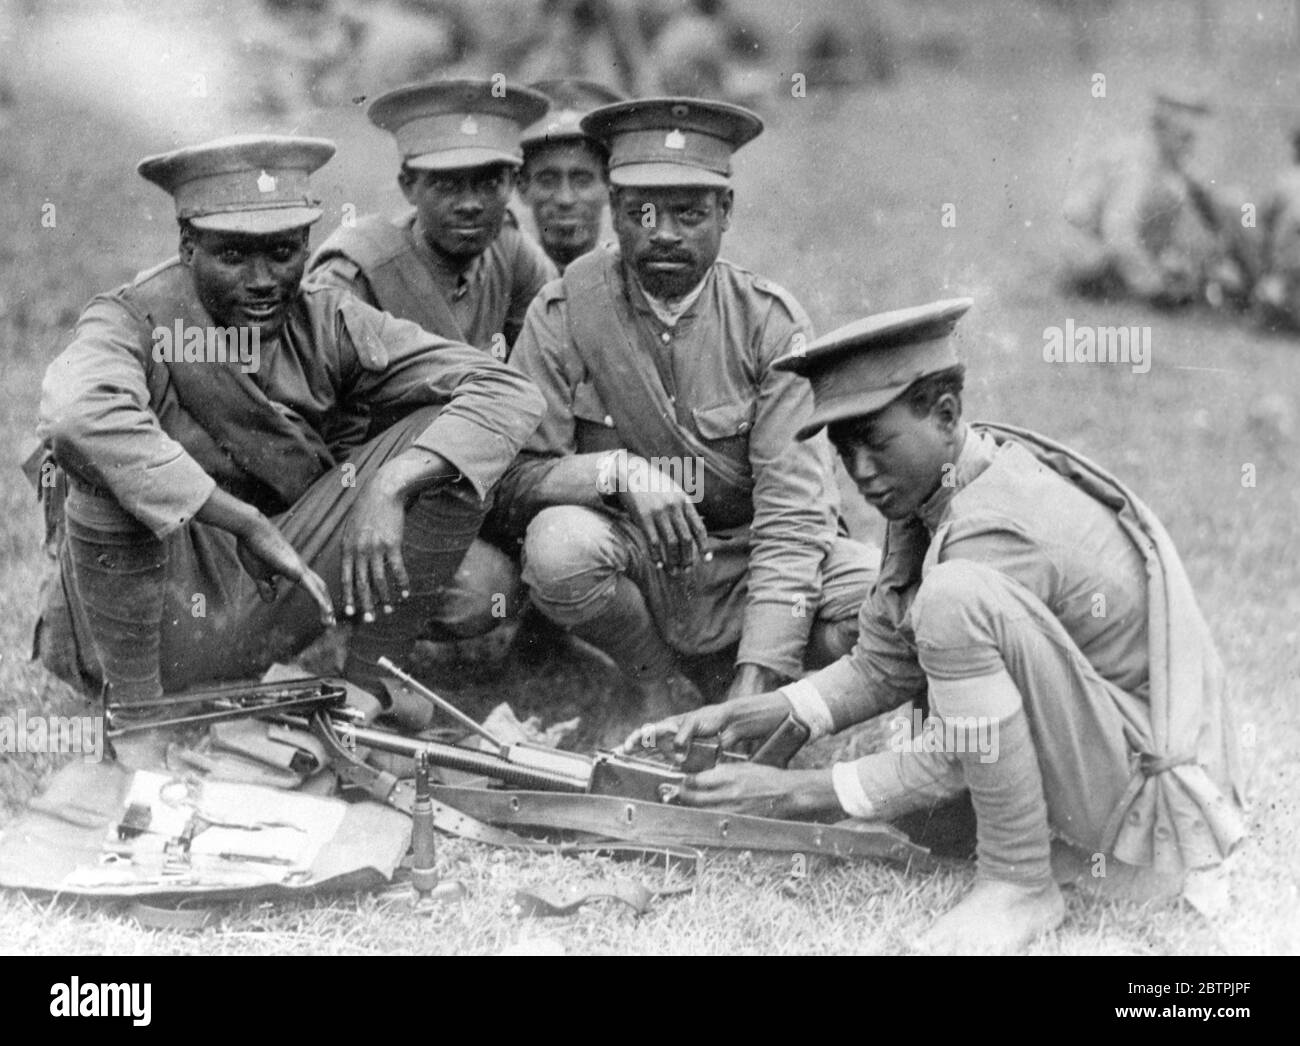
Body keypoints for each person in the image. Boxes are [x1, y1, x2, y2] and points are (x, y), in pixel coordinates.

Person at [626, 298, 1247, 954]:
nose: (861, 473)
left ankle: (1018, 883)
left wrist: (793, 793)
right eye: (845, 450)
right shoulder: (941, 485)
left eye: (876, 442)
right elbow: (884, 662)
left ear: (946, 415)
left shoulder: (993, 527)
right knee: (929, 812)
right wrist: (755, 713)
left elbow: (961, 752)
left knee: (949, 618)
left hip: (1157, 819)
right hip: (1116, 761)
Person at [31, 135, 545, 720]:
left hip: (276, 584)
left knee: (448, 440)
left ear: (306, 245)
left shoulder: (326, 317)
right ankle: (139, 717)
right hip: (147, 613)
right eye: (233, 256)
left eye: (282, 253)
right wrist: (242, 521)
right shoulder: (131, 318)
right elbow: (78, 414)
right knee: (98, 459)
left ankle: (362, 690)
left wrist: (393, 482)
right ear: (187, 246)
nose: (262, 280)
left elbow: (505, 391)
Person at [496, 97, 879, 735]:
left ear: (726, 213)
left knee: (879, 597)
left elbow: (795, 509)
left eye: (690, 213)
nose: (665, 233)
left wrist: (759, 673)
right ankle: (653, 677)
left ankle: (750, 687)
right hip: (634, 561)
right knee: (558, 546)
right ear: (615, 211)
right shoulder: (562, 313)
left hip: (745, 560)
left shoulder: (768, 322)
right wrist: (615, 473)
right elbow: (515, 481)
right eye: (643, 213)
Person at [308, 78, 557, 357]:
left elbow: (549, 360)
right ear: (409, 186)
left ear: (512, 184)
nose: (470, 204)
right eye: (446, 184)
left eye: (489, 183)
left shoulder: (511, 254)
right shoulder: (359, 272)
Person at [1061, 90, 1241, 307]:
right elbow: (1118, 233)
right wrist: (1154, 286)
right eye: (1184, 138)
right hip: (1089, 253)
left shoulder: (1163, 155)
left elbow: (1205, 195)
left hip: (1108, 248)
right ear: (1162, 130)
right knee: (1169, 200)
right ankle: (1118, 284)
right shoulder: (1135, 164)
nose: (1190, 147)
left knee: (1194, 198)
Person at [517, 79, 625, 272]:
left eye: (582, 181)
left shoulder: (630, 287)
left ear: (609, 185)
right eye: (547, 181)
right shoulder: (501, 285)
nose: (565, 199)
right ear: (522, 186)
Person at [1252, 123, 1300, 333]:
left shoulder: (1286, 180)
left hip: (1285, 260)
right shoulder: (1288, 181)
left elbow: (1262, 216)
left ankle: (1273, 298)